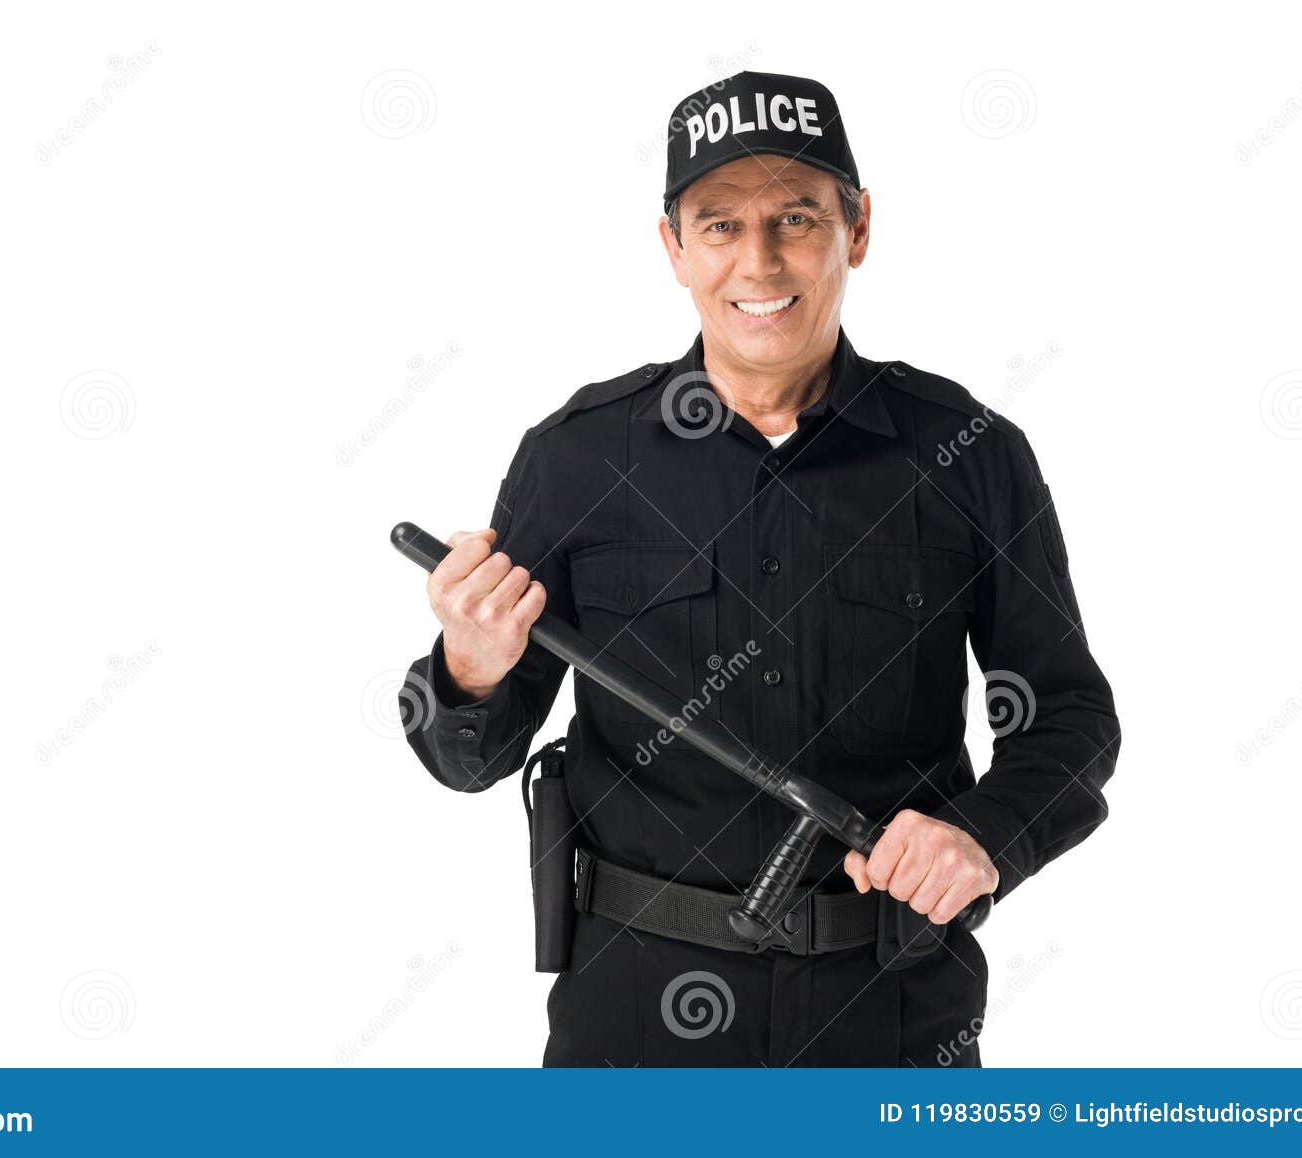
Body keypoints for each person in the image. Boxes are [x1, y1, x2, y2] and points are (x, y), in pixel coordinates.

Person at [398, 70, 1121, 1066]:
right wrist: (468, 667)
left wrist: (985, 837)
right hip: (632, 1030)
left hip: (895, 1019)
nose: (760, 260)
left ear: (856, 230)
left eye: (796, 218)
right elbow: (465, 756)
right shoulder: (577, 459)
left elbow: (1071, 724)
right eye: (719, 225)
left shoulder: (969, 455)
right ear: (673, 249)